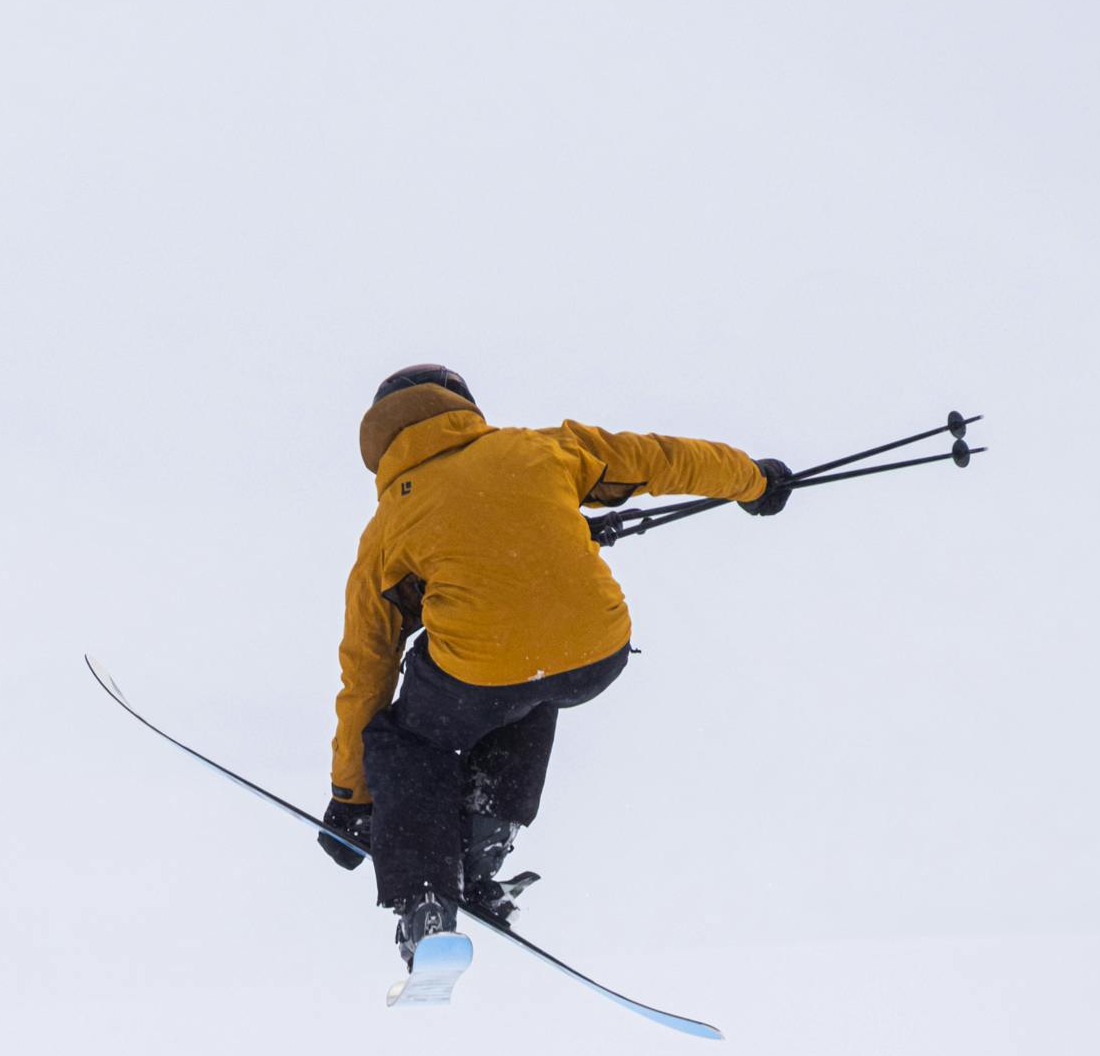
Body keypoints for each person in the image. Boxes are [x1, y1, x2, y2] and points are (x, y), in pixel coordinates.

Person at [318, 365, 792, 975]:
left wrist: (351, 797)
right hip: (595, 654)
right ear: (461, 406)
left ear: (382, 446)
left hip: (482, 675)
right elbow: (658, 458)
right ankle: (482, 846)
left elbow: (367, 670)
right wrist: (752, 481)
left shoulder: (386, 531)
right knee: (529, 684)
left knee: (410, 737)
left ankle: (427, 902)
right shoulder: (539, 447)